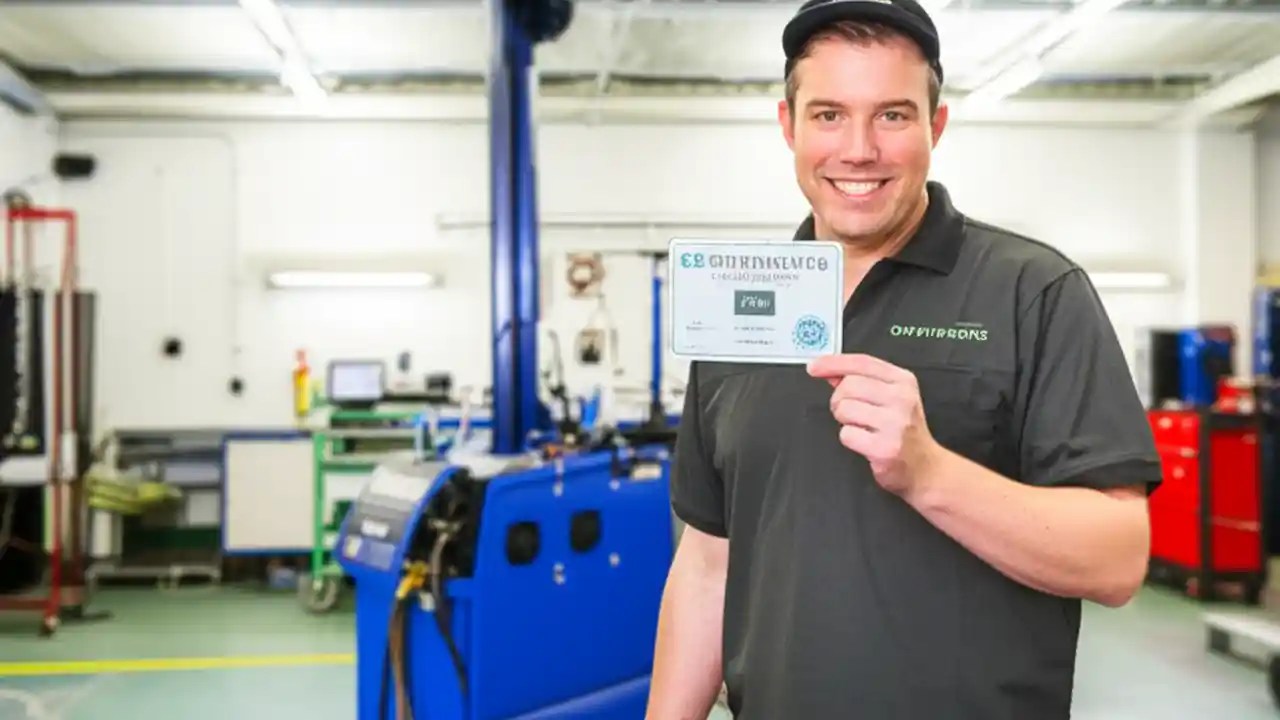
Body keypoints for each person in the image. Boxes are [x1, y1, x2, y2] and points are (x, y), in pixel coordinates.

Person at [645, 0, 1163, 717]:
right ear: (788, 126)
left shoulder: (1033, 291)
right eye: (828, 115)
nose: (858, 149)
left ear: (934, 126)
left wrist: (930, 475)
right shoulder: (739, 307)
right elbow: (707, 564)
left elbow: (1117, 559)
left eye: (891, 115)